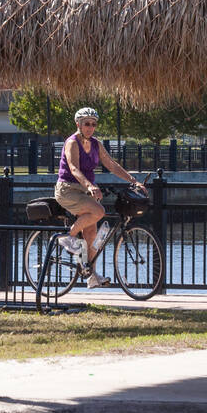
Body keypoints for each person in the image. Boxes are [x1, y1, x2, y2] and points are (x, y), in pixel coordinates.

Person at [55, 107, 147, 289]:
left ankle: (91, 275)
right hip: (68, 190)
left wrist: (133, 181)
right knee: (99, 211)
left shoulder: (96, 144)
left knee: (91, 233)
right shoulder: (72, 143)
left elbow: (111, 165)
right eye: (86, 124)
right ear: (78, 124)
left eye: (93, 124)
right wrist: (90, 185)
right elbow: (73, 168)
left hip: (85, 192)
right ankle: (68, 236)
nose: (90, 127)